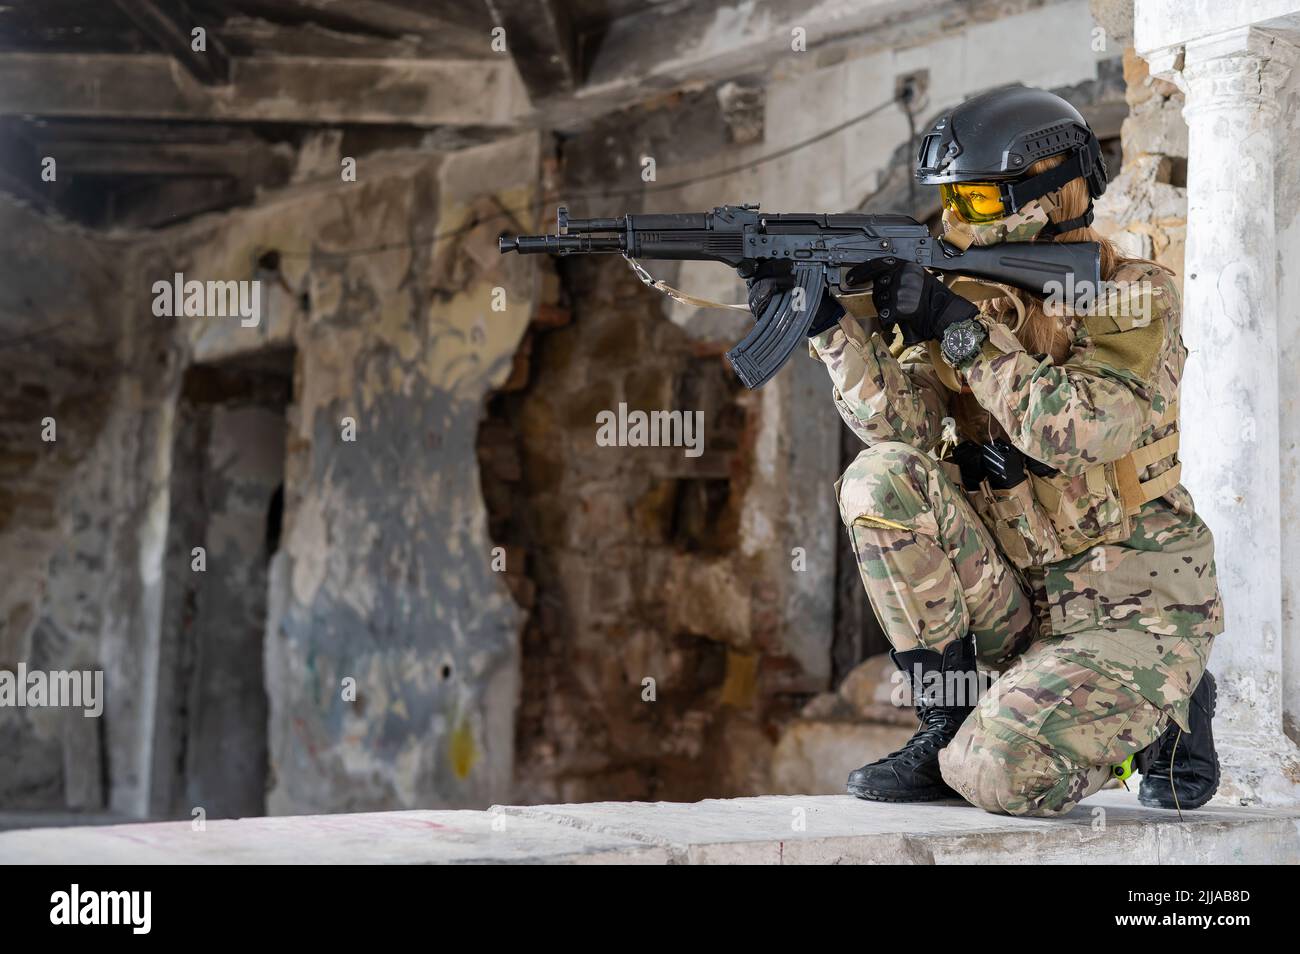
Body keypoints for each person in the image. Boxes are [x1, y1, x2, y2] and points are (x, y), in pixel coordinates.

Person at [748, 86, 1222, 816]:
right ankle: (947, 720)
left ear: (1051, 192)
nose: (952, 222)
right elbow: (902, 433)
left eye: (972, 201)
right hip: (1018, 601)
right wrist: (827, 327)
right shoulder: (965, 292)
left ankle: (1163, 714)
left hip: (1132, 610)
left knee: (996, 777)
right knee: (880, 481)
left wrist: (959, 330)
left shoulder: (1131, 296)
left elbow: (1083, 430)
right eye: (948, 202)